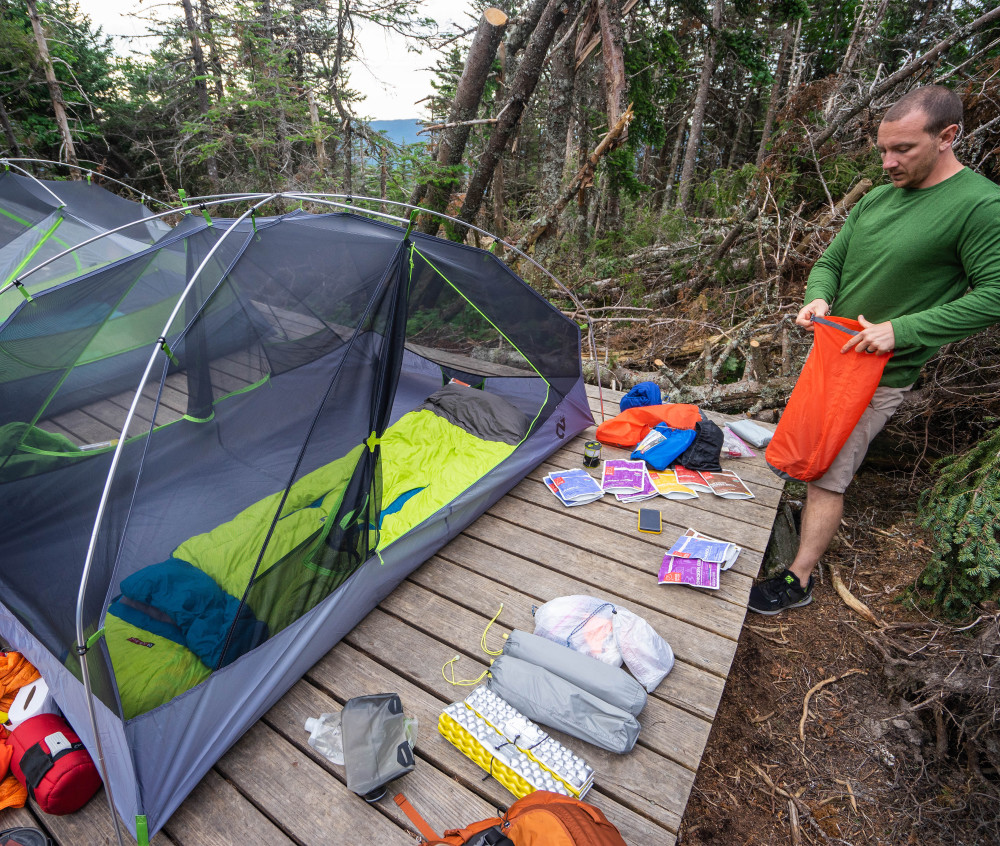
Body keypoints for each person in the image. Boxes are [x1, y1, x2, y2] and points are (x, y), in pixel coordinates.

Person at [749, 85, 1000, 616]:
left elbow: (995, 295)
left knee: (829, 474)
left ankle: (798, 578)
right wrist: (818, 297)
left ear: (947, 137)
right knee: (808, 450)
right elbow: (831, 261)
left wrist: (900, 330)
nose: (888, 162)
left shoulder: (980, 206)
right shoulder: (879, 197)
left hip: (880, 373)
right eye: (883, 149)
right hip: (832, 356)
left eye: (903, 149)